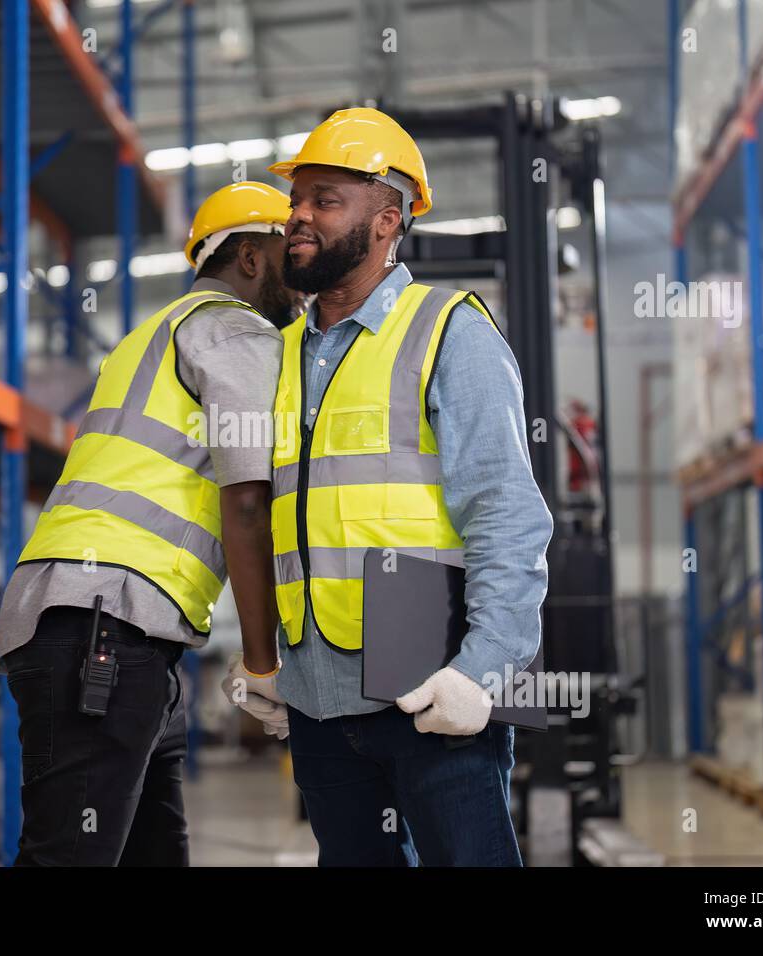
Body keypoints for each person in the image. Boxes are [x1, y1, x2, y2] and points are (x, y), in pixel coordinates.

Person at [229, 108, 553, 866]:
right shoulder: (275, 357)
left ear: (387, 220)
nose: (299, 218)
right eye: (295, 200)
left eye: (325, 199)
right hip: (315, 705)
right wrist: (266, 664)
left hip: (433, 699)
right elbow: (263, 518)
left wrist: (485, 673)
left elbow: (506, 514)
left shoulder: (450, 332)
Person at [0, 182, 298, 866]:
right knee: (70, 857)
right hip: (107, 624)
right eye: (288, 253)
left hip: (110, 625)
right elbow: (246, 500)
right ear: (251, 257)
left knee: (152, 853)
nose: (301, 284)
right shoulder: (234, 328)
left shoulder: (149, 336)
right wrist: (262, 662)